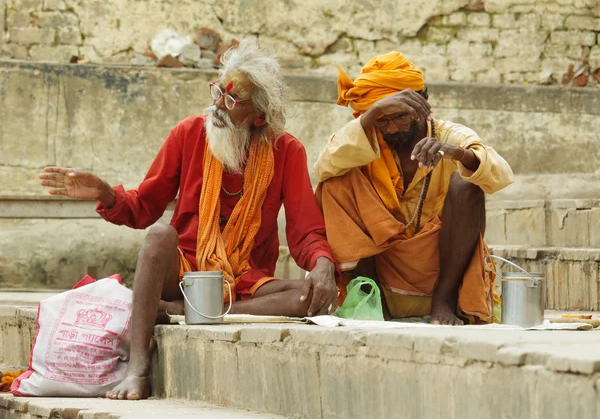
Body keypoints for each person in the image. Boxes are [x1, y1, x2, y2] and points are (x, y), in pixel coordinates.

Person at [39, 40, 338, 400]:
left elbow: (305, 231)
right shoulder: (189, 133)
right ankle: (138, 368)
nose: (218, 104)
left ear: (259, 115)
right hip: (186, 270)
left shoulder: (286, 150)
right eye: (218, 91)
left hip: (242, 280)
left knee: (309, 295)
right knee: (159, 235)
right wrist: (106, 193)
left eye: (232, 100)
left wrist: (322, 265)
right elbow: (144, 207)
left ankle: (187, 312)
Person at [315, 51, 514, 326]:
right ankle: (375, 305)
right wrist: (371, 115)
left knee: (466, 183)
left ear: (423, 106)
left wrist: (456, 153)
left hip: (440, 276)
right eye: (383, 120)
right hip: (383, 274)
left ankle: (443, 304)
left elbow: (501, 174)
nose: (392, 128)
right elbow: (324, 166)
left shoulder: (448, 135)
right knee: (336, 183)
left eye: (401, 117)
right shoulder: (366, 140)